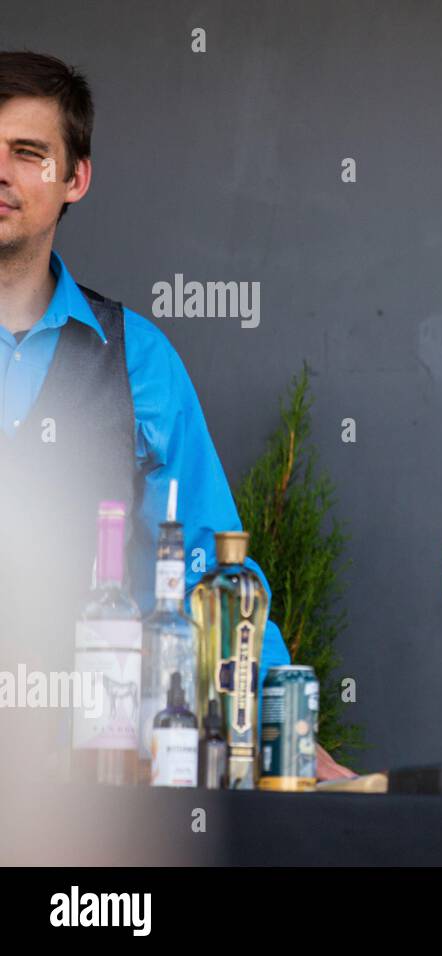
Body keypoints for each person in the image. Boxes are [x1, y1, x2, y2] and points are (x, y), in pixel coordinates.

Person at [0, 51, 351, 780]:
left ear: (75, 178)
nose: (0, 171)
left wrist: (297, 740)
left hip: (87, 776)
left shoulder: (137, 357)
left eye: (28, 153)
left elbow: (207, 564)